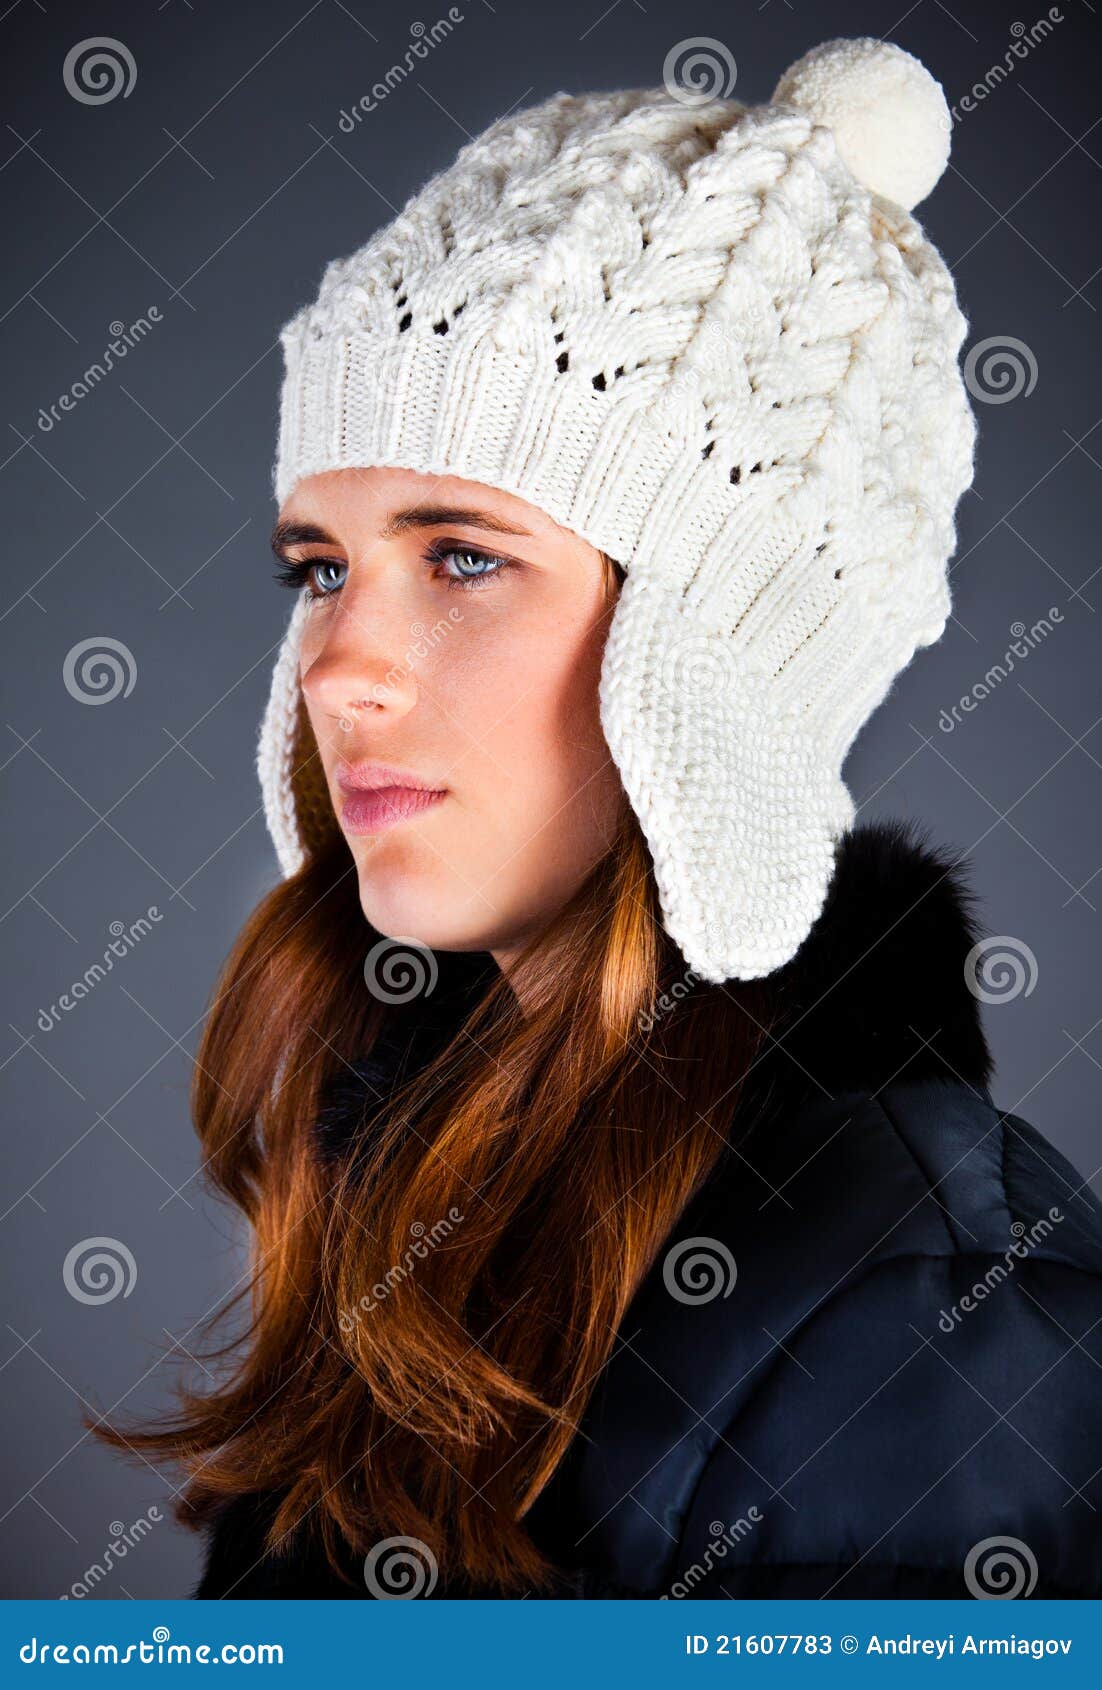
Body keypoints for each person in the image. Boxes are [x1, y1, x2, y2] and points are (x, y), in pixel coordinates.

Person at [91, 37, 1102, 1600]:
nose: (339, 666)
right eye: (321, 567)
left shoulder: (930, 1310)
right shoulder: (418, 1166)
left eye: (463, 556)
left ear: (719, 647)